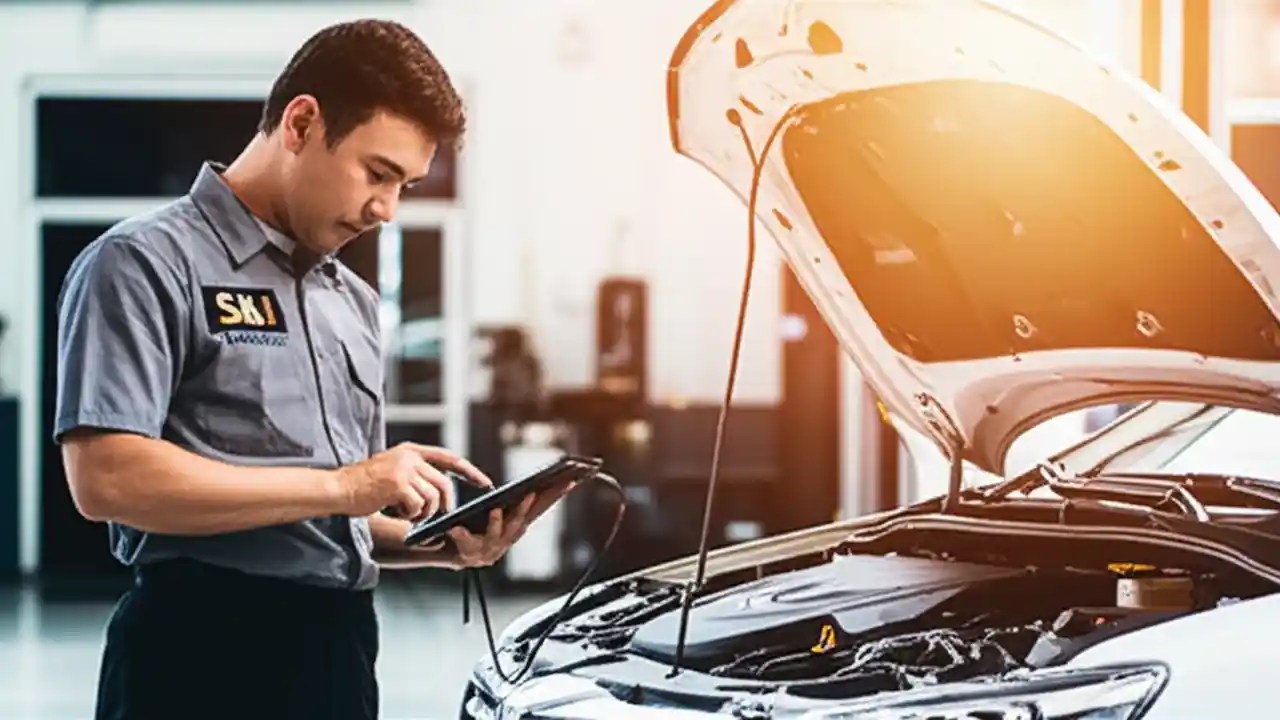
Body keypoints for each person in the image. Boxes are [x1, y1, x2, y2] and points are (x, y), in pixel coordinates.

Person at [52, 18, 571, 720]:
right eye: (378, 173)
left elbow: (319, 521)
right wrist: (347, 483)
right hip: (197, 658)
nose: (386, 209)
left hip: (339, 653)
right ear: (300, 123)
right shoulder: (142, 264)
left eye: (406, 186)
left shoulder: (350, 302)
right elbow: (107, 478)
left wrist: (431, 546)